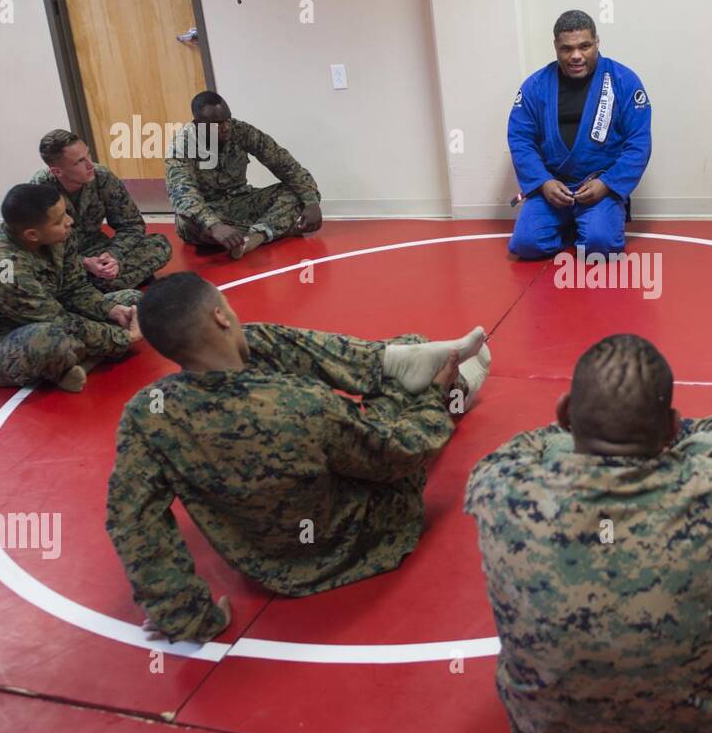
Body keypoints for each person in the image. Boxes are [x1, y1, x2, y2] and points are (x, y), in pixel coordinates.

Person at [106, 272, 490, 643]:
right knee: (408, 388)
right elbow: (402, 453)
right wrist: (430, 401)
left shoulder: (146, 413)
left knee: (257, 342)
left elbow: (132, 519)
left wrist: (181, 612)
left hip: (265, 563)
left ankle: (394, 359)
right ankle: (455, 382)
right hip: (361, 537)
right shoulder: (302, 405)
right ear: (221, 315)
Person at [465, 333, 712, 733]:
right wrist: (681, 432)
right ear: (671, 427)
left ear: (566, 413)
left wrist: (581, 422)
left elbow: (531, 446)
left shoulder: (501, 489)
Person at [0, 183, 142, 392]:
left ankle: (73, 362)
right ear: (32, 235)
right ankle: (75, 359)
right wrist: (123, 338)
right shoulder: (2, 267)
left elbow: (75, 288)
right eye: (59, 220)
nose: (69, 222)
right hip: (0, 345)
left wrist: (111, 310)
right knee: (50, 340)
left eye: (65, 213)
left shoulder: (58, 235)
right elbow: (56, 321)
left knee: (131, 302)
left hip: (51, 313)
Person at [507, 11, 651, 260]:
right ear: (555, 47)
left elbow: (638, 143)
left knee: (600, 246)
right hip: (553, 188)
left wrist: (607, 184)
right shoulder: (535, 85)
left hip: (598, 187)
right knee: (526, 245)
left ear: (597, 41)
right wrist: (543, 182)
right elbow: (520, 139)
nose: (576, 56)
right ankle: (569, 225)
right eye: (567, 48)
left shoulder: (623, 81)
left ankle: (592, 221)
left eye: (584, 46)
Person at [165, 92, 323, 259]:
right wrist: (215, 225)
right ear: (198, 124)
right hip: (209, 211)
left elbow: (285, 164)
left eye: (228, 119)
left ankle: (257, 236)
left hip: (242, 201)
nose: (226, 127)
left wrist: (311, 202)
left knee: (297, 193)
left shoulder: (240, 131)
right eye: (217, 124)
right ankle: (275, 227)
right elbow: (183, 196)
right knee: (188, 223)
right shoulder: (182, 145)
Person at [32, 128, 172, 289]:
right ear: (57, 171)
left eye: (88, 155)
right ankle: (117, 282)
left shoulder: (102, 177)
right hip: (65, 262)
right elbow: (39, 248)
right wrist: (84, 263)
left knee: (160, 245)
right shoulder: (39, 191)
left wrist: (113, 256)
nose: (90, 164)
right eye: (79, 161)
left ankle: (105, 284)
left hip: (101, 250)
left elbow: (131, 225)